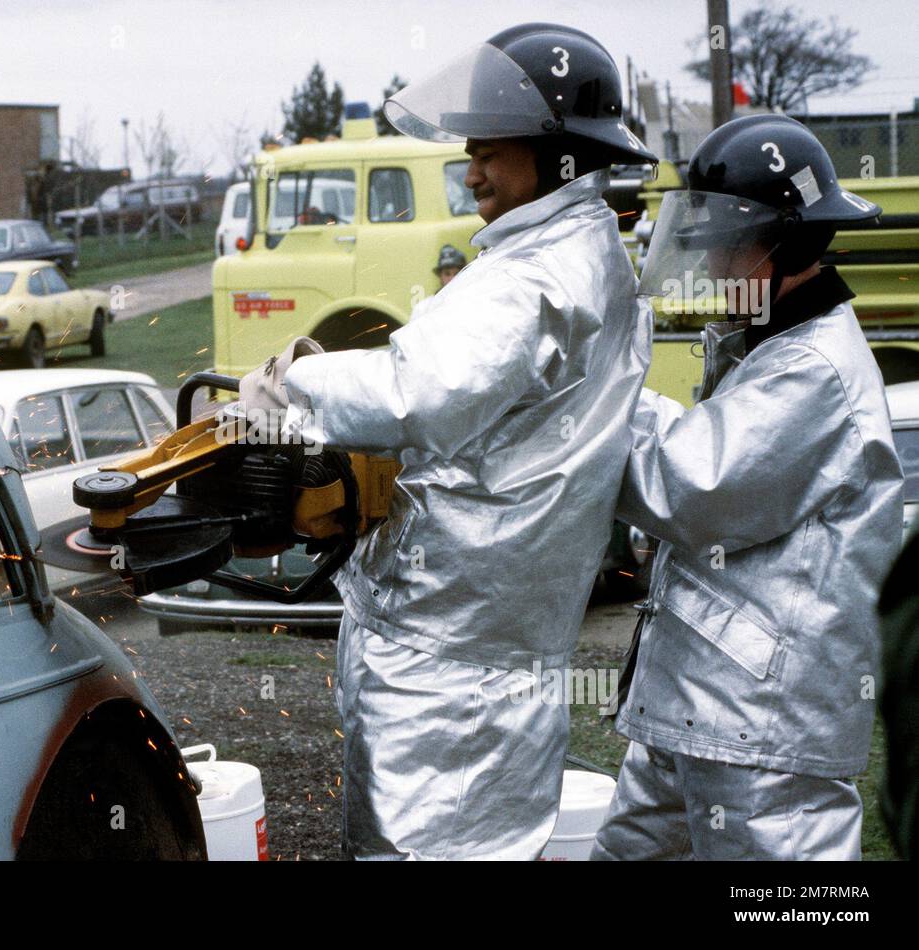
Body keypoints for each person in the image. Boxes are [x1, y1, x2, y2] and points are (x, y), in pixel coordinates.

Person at [240, 23, 657, 859]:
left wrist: (291, 383)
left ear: (558, 153)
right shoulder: (586, 254)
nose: (472, 174)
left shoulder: (531, 278)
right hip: (491, 643)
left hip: (445, 655)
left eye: (489, 154)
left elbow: (415, 391)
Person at [591, 114, 904, 861]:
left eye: (723, 242)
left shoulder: (815, 370)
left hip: (766, 729)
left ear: (785, 244)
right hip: (703, 702)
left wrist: (595, 403)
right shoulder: (769, 343)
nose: (707, 261)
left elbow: (690, 485)